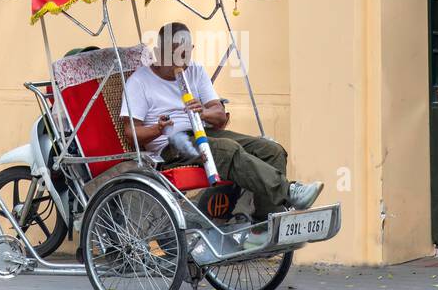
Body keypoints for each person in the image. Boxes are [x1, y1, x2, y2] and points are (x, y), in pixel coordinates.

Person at [118, 22, 323, 230]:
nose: (183, 64)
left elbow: (219, 116)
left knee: (271, 150)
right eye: (176, 55)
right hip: (172, 146)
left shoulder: (195, 70)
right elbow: (131, 133)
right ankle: (289, 193)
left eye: (186, 55)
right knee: (228, 149)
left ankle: (263, 226)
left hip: (205, 133)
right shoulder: (139, 81)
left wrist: (203, 112)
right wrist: (159, 128)